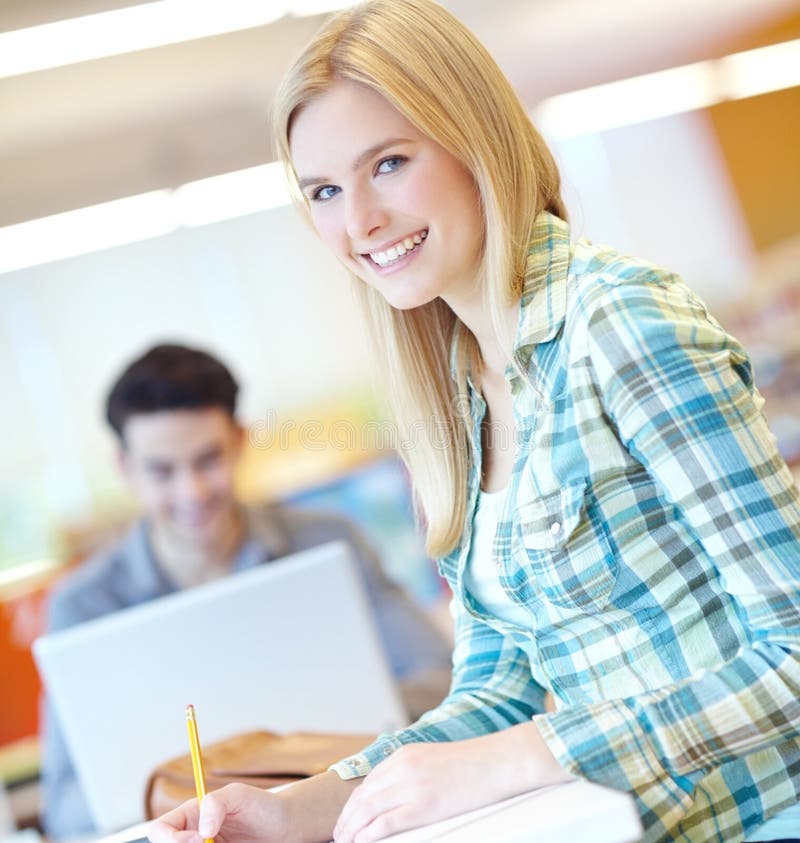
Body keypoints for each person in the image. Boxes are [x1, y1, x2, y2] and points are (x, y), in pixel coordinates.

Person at [149, 1, 800, 841]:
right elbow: (499, 692)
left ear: (473, 139)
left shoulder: (619, 325)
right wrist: (294, 808)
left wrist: (529, 754)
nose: (359, 223)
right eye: (324, 190)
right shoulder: (452, 392)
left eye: (388, 163)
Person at [41, 342, 452, 840]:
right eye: (161, 471)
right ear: (125, 468)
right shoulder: (82, 605)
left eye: (207, 459)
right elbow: (65, 808)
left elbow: (439, 680)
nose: (191, 490)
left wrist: (286, 746)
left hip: (342, 817)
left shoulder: (325, 541)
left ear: (239, 441)